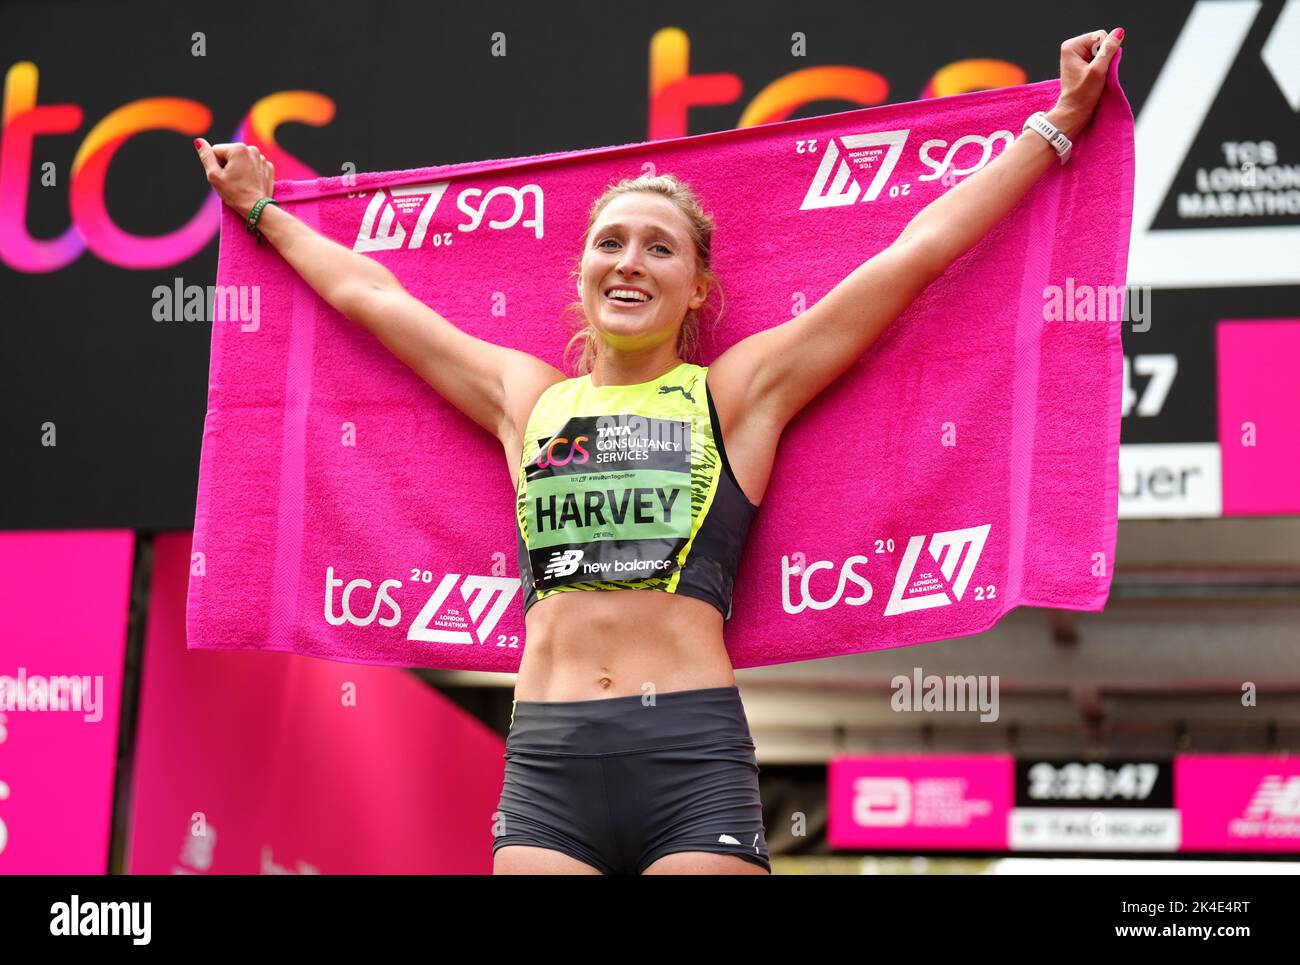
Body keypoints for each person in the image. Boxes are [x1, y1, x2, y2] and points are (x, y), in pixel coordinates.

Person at [195, 28, 1124, 875]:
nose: (630, 260)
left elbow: (912, 256)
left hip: (691, 757)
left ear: (697, 289)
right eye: (610, 242)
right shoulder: (526, 398)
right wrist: (266, 210)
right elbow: (374, 297)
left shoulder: (740, 392)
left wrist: (1056, 126)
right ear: (583, 273)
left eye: (659, 248)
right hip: (547, 766)